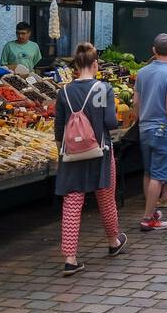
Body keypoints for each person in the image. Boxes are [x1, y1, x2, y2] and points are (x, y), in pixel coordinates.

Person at [54, 42, 126, 276]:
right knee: (106, 197)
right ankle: (114, 241)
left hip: (72, 155)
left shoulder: (63, 92)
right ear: (95, 64)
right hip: (100, 152)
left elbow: (58, 129)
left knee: (72, 202)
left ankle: (70, 258)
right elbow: (111, 123)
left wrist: (63, 151)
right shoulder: (103, 88)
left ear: (75, 65)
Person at [134, 34, 167, 233]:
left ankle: (152, 211)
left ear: (153, 51)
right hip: (162, 129)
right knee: (158, 176)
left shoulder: (142, 73)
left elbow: (136, 103)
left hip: (145, 128)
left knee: (148, 172)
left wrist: (139, 121)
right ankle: (148, 218)